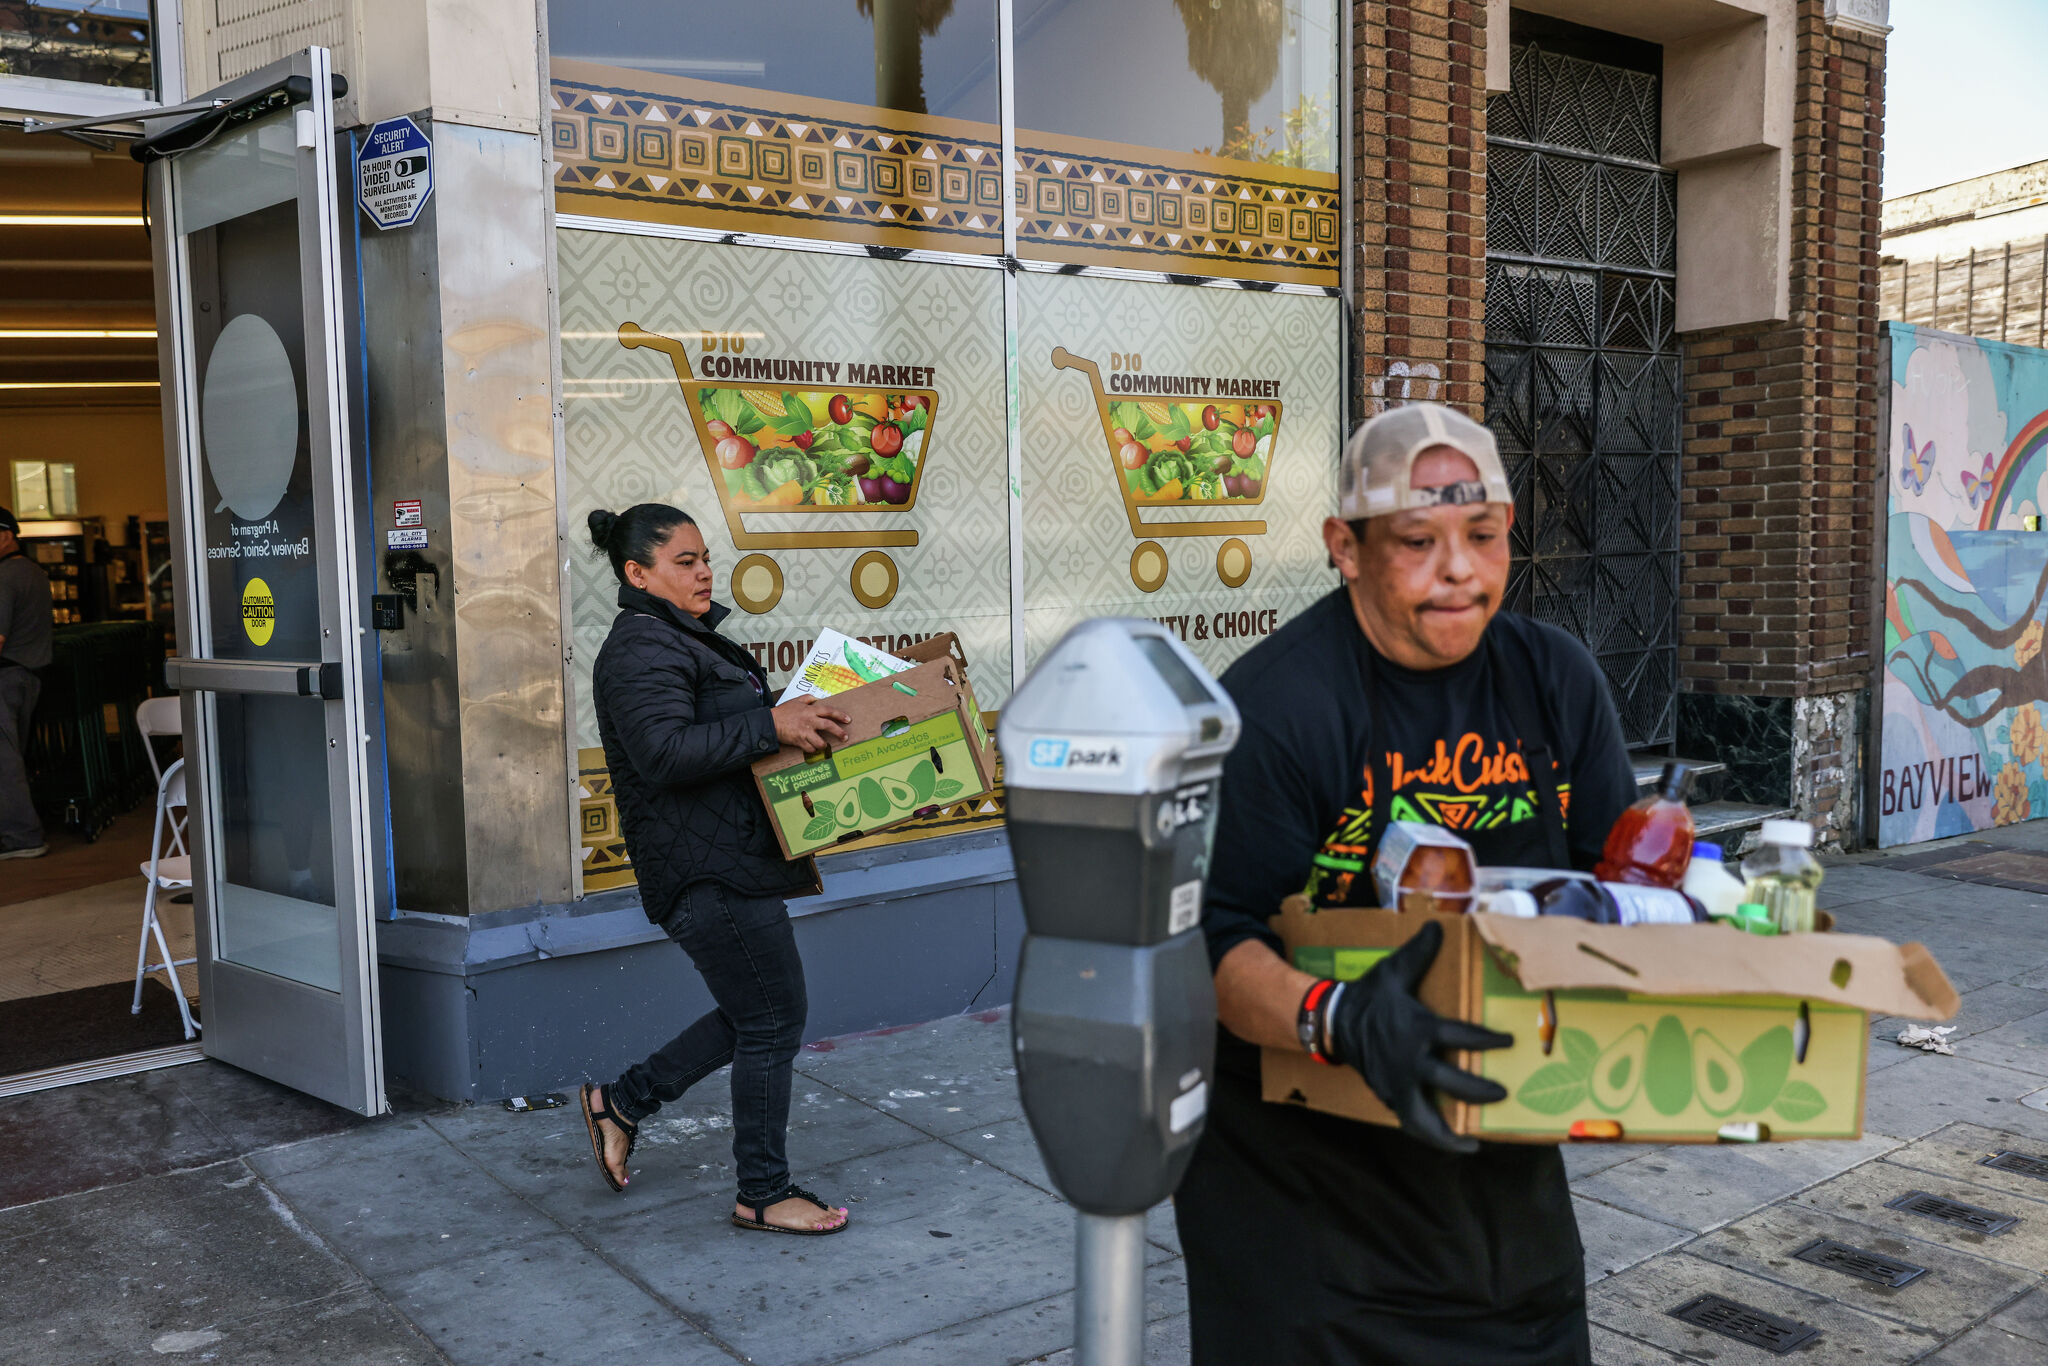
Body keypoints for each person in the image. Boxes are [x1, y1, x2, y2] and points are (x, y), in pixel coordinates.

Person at [1174, 404, 1638, 1364]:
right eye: (1418, 541)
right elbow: (1208, 942)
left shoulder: (1556, 680)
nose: (1460, 570)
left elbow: (1615, 885)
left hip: (1501, 1188)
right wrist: (1338, 1018)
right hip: (1306, 1207)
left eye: (1483, 535)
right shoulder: (1278, 706)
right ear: (1346, 546)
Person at [576, 503, 858, 1236]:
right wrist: (771, 723)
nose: (704, 571)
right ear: (637, 573)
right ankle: (761, 1191)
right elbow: (664, 753)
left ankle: (624, 1101)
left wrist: (792, 717)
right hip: (705, 872)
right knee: (771, 1017)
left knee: (757, 1011)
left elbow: (712, 732)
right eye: (684, 561)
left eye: (705, 558)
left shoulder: (678, 638)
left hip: (727, 857)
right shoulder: (640, 648)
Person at [0, 507, 52, 861]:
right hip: (30, 676)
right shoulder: (35, 572)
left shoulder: (4, 577)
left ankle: (23, 836)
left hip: (6, 676)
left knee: (5, 759)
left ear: (5, 535)